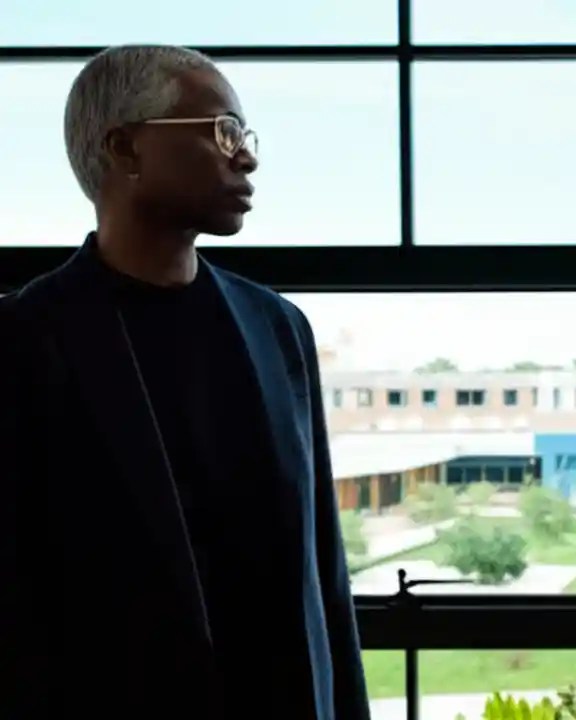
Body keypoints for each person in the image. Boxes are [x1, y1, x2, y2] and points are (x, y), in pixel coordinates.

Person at [0, 45, 369, 719]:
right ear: (126, 148)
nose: (247, 157)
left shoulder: (278, 328)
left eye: (245, 137)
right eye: (222, 132)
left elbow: (324, 579)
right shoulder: (24, 340)